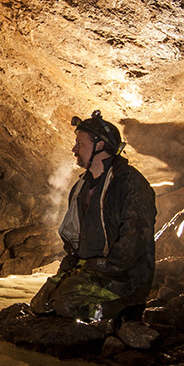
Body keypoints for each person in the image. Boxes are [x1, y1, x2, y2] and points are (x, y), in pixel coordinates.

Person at [30, 110, 157, 325]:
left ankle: (124, 308)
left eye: (80, 143)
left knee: (65, 304)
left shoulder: (130, 183)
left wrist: (105, 266)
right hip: (90, 270)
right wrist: (71, 266)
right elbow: (78, 238)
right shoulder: (81, 187)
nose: (74, 149)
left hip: (123, 277)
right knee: (40, 304)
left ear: (100, 145)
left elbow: (135, 238)